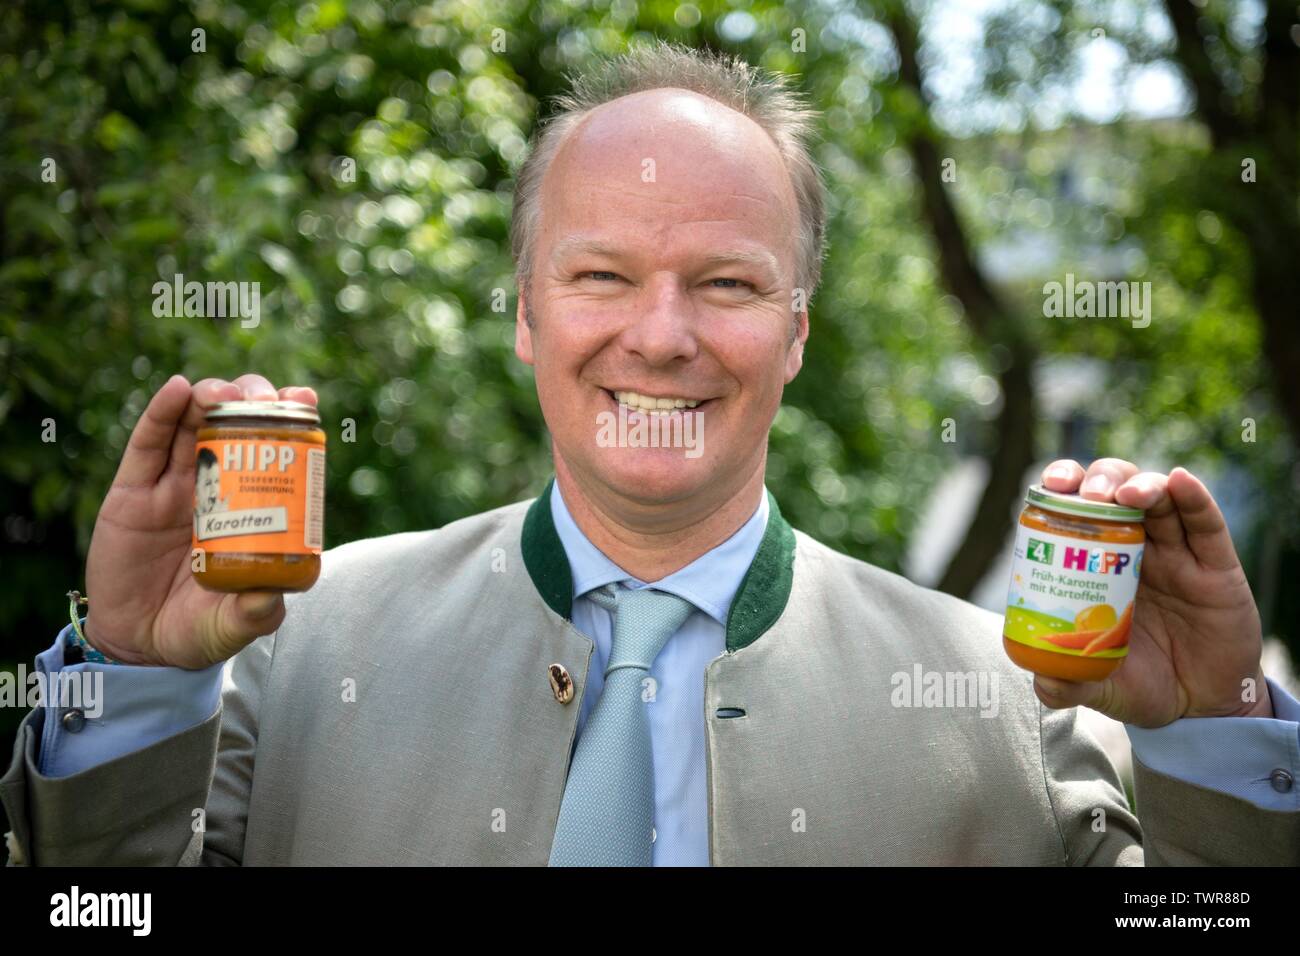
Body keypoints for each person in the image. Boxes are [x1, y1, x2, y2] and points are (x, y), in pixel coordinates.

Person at [3, 41, 1297, 867]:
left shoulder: (1011, 700)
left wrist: (1217, 732)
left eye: (727, 282)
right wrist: (125, 681)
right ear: (524, 314)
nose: (662, 335)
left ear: (795, 332)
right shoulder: (290, 656)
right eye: (602, 273)